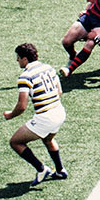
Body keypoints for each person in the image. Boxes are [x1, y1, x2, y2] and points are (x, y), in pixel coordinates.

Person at [4, 42, 69, 187]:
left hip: (46, 117)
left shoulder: (25, 77)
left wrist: (10, 115)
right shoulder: (49, 68)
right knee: (48, 139)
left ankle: (42, 169)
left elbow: (21, 106)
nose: (17, 60)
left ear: (25, 59)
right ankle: (60, 170)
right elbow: (59, 92)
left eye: (18, 58)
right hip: (59, 111)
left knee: (16, 142)